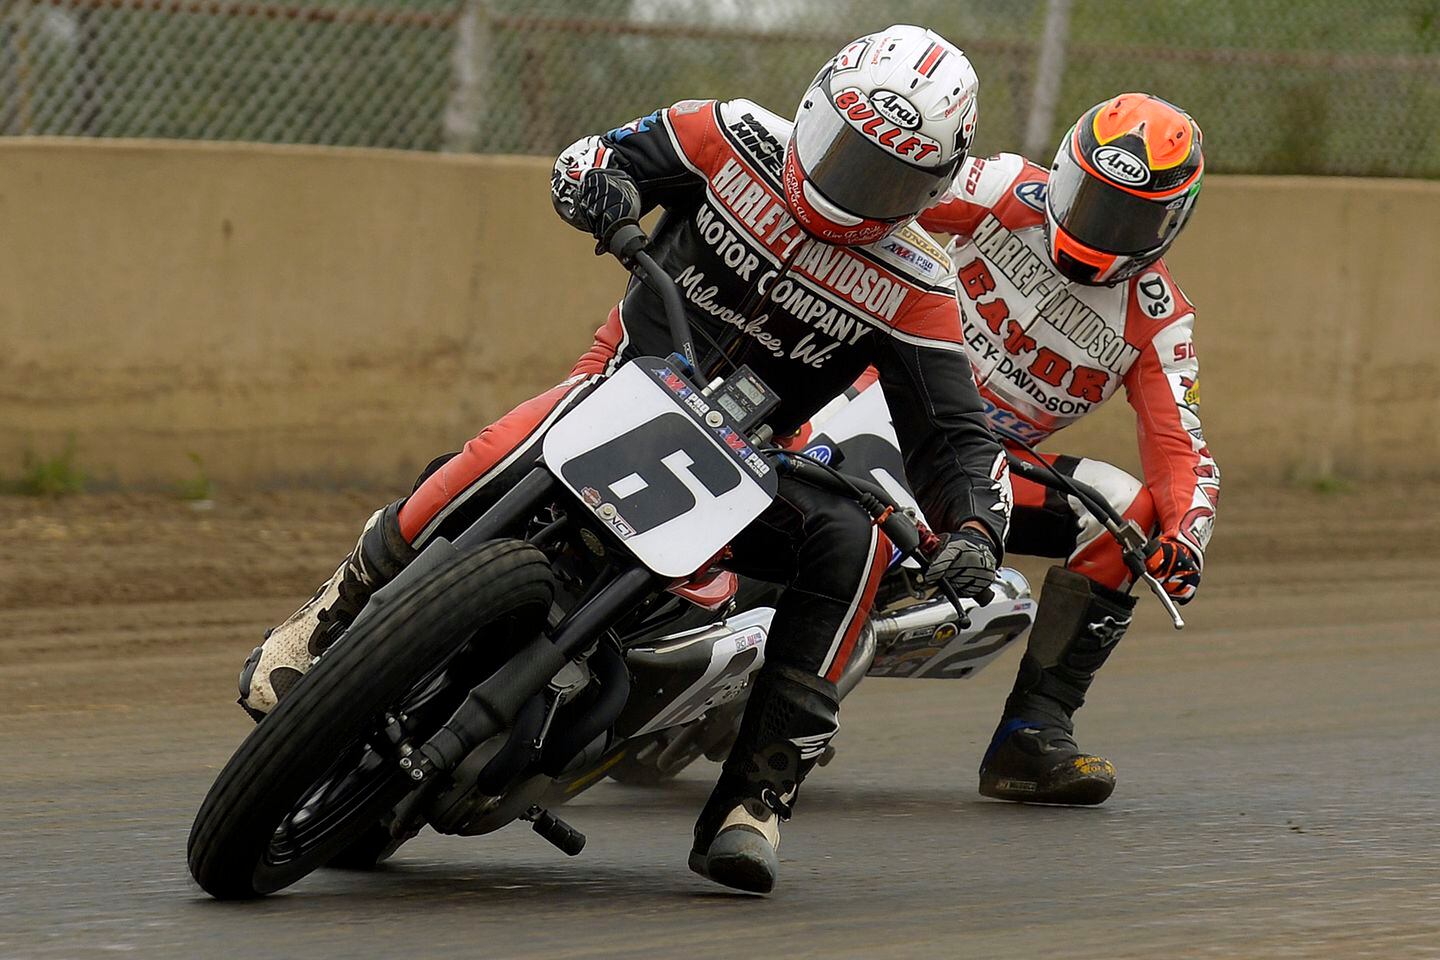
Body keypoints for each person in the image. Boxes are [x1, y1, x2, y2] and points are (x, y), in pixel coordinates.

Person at [238, 25, 1012, 893]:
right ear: (811, 110)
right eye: (843, 150)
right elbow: (594, 156)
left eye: (891, 176)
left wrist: (975, 526)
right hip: (625, 383)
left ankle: (755, 798)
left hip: (752, 458)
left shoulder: (920, 282)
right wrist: (600, 191)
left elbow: (956, 435)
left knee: (858, 542)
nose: (853, 185)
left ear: (936, 184)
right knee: (501, 441)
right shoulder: (729, 135)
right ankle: (327, 618)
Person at [909, 93, 1217, 805]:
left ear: (1172, 223)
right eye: (1087, 197)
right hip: (864, 401)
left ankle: (1032, 731)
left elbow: (1184, 452)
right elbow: (874, 203)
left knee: (1131, 515)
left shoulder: (1160, 321)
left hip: (982, 472)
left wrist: (1185, 537)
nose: (1097, 227)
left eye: (1128, 216)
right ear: (1061, 169)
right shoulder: (997, 189)